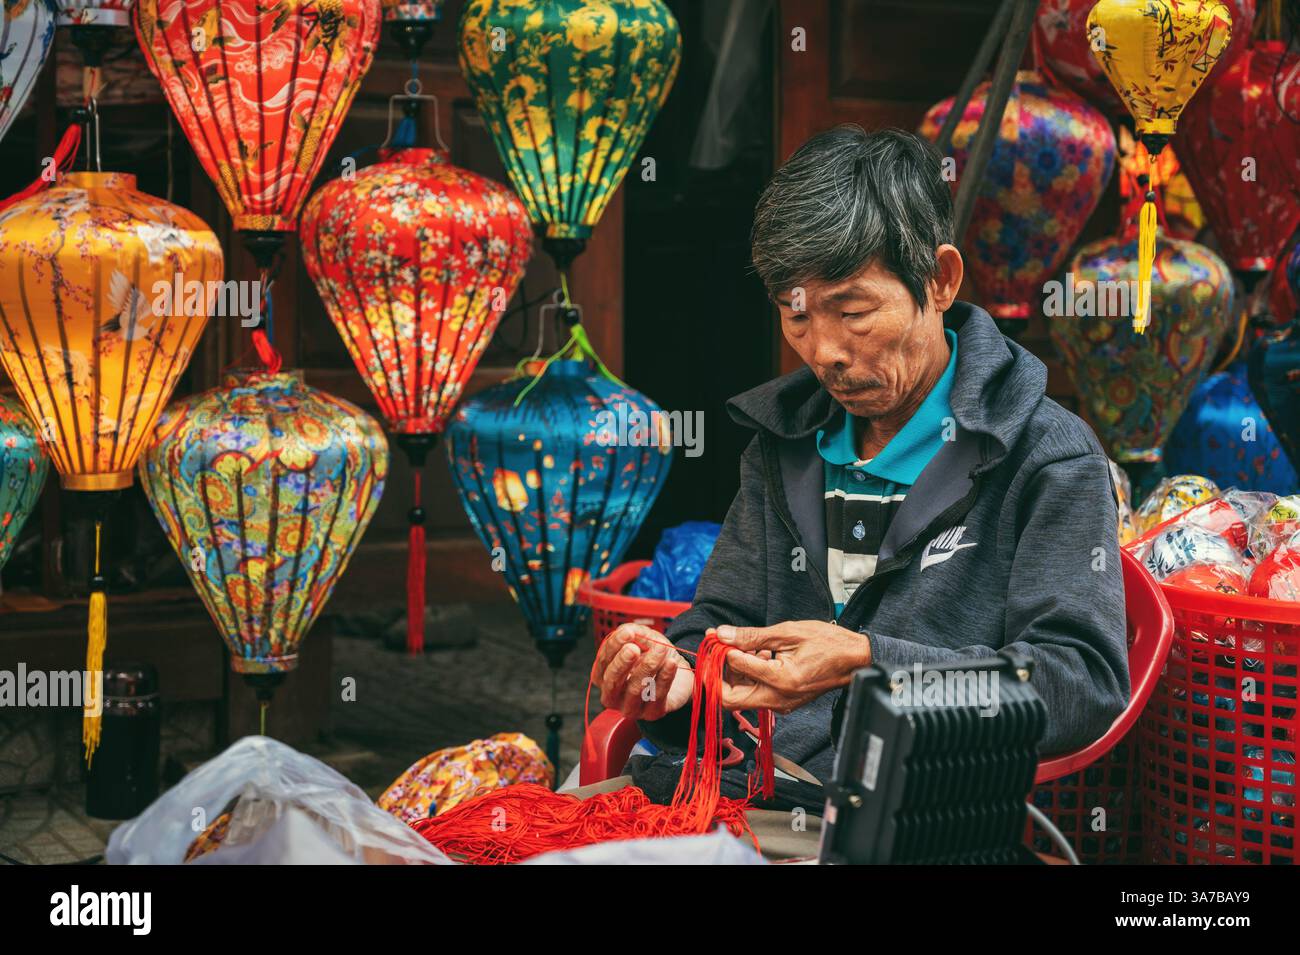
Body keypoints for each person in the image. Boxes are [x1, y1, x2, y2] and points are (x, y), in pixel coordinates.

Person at [592, 125, 1130, 784]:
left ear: (939, 280)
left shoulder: (1047, 456)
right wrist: (673, 678)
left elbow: (1081, 683)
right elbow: (723, 624)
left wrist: (870, 662)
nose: (824, 352)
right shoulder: (783, 445)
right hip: (760, 792)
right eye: (798, 319)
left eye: (852, 313)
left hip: (922, 811)